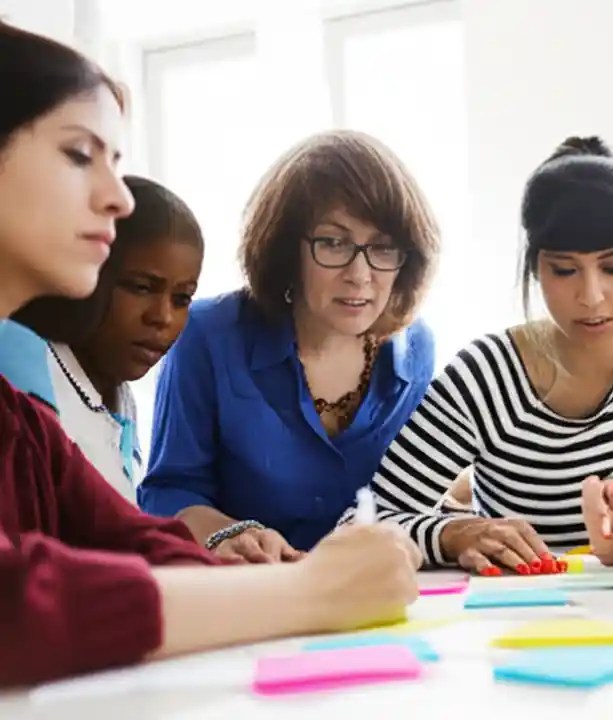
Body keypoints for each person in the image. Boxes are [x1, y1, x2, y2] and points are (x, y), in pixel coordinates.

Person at [0, 23, 420, 687]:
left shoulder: (19, 423)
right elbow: (17, 605)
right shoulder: (208, 339)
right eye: (81, 154)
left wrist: (297, 582)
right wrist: (310, 592)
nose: (120, 197)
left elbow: (135, 537)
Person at [345, 136, 613, 573]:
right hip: (519, 622)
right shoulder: (485, 375)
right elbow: (362, 525)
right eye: (564, 270)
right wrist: (453, 534)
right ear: (534, 269)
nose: (592, 297)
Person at [139, 130, 439, 562]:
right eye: (333, 243)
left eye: (383, 247)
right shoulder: (207, 335)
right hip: (248, 599)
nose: (360, 273)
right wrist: (231, 534)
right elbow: (166, 492)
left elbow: (410, 501)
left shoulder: (416, 350)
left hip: (371, 600)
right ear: (286, 248)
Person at [0, 175, 203, 501]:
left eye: (182, 299)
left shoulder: (120, 395)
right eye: (141, 287)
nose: (162, 317)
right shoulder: (26, 371)